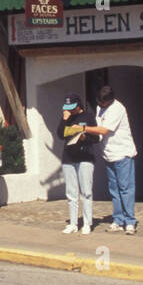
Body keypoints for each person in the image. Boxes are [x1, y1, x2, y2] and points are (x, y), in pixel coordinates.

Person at [85, 85, 138, 234]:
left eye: (103, 103)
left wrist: (83, 129)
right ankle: (118, 220)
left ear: (110, 100)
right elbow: (98, 126)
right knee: (114, 190)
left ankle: (129, 221)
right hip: (108, 154)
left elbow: (103, 130)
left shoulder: (117, 109)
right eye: (99, 102)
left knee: (125, 189)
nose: (100, 105)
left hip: (122, 154)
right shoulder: (99, 107)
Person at [56, 94, 96, 234]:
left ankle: (87, 223)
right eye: (68, 108)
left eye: (72, 108)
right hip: (69, 158)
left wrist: (85, 136)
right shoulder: (67, 118)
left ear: (79, 105)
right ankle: (73, 223)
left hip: (85, 157)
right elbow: (60, 134)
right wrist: (64, 119)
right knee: (71, 193)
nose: (70, 111)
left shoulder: (88, 117)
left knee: (86, 192)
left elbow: (96, 137)